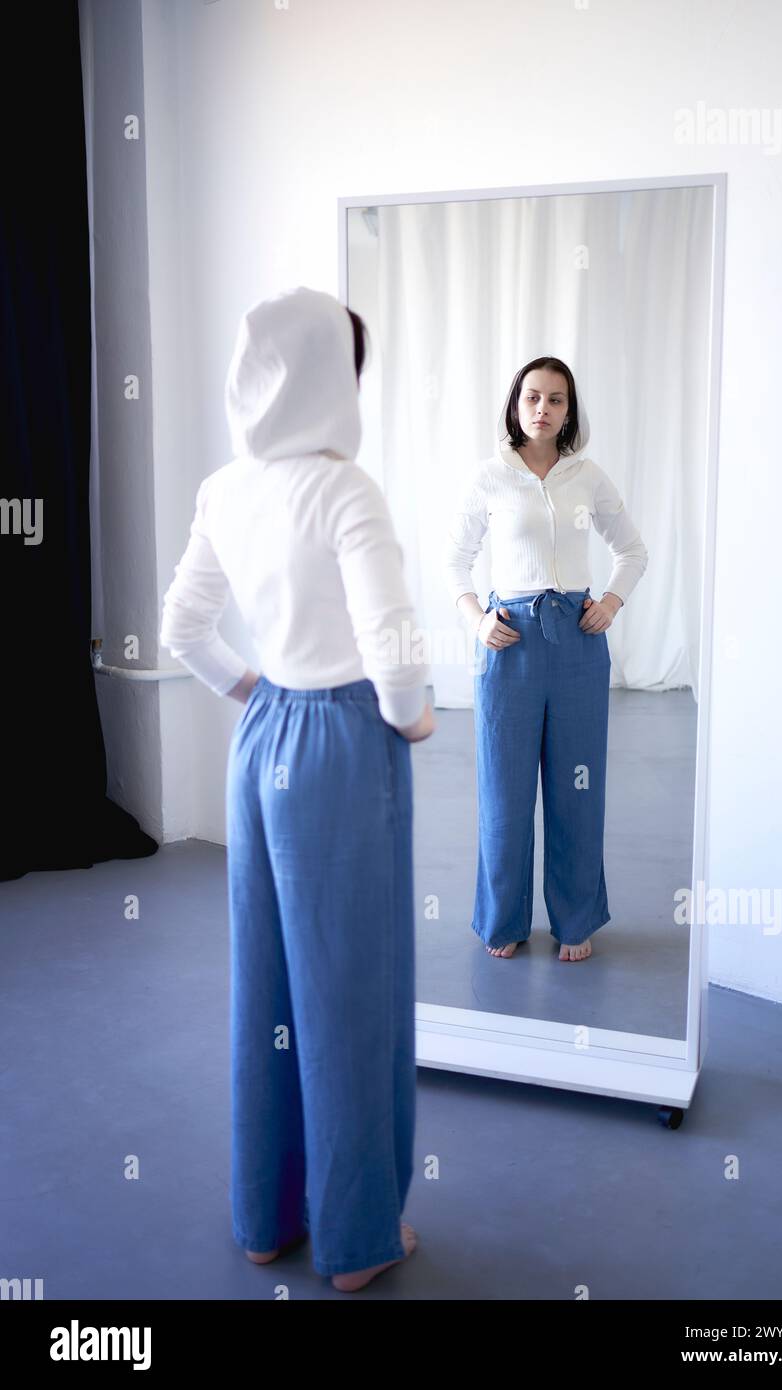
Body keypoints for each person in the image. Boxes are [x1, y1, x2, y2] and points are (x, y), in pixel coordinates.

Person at [159, 286, 433, 1292]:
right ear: (329, 375)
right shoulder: (343, 489)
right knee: (347, 988)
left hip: (263, 731)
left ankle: (264, 1220)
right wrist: (412, 713)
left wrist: (252, 691)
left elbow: (181, 627)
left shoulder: (224, 487)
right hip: (341, 739)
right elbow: (391, 644)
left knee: (266, 980)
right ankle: (358, 1239)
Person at [442, 358, 648, 961]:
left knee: (577, 789)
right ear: (515, 405)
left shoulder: (587, 477)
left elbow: (632, 549)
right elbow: (453, 561)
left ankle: (575, 920)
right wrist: (478, 620)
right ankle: (503, 920)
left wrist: (611, 600)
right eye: (532, 397)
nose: (543, 409)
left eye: (556, 400)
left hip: (579, 641)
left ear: (568, 412)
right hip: (512, 643)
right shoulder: (489, 477)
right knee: (504, 792)